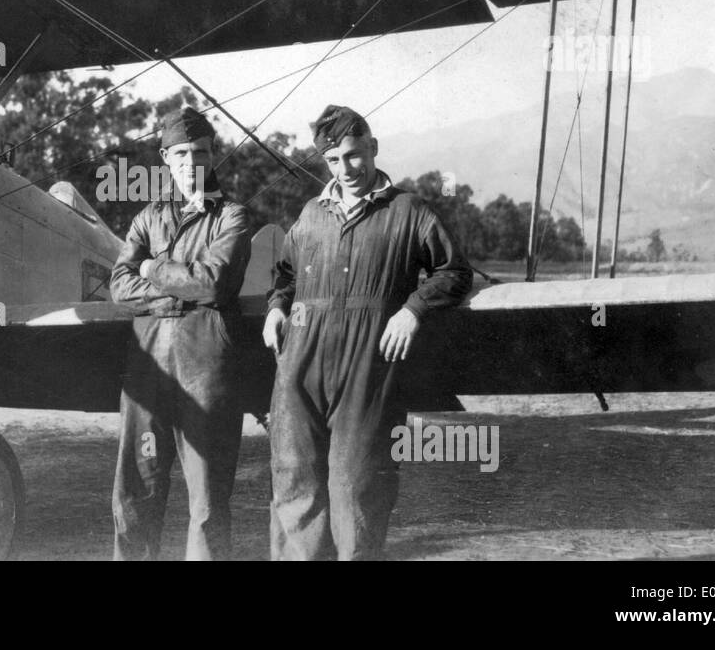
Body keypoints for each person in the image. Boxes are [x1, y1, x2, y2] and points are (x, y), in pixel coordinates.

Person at [263, 104, 472, 560]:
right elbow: (285, 275)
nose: (346, 169)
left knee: (357, 486)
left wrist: (413, 309)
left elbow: (454, 271)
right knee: (295, 483)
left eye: (354, 155)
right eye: (334, 160)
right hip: (299, 364)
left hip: (367, 368)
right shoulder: (311, 213)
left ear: (373, 148)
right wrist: (277, 307)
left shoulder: (409, 210)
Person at [109, 107, 252, 560]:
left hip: (205, 368)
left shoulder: (232, 217)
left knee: (207, 497)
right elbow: (118, 286)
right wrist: (174, 289)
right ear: (166, 159)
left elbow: (215, 283)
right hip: (148, 366)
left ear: (213, 157)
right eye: (181, 154)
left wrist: (152, 268)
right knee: (135, 488)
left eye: (201, 153)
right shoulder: (146, 218)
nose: (192, 163)